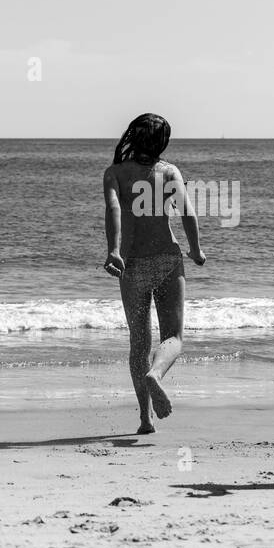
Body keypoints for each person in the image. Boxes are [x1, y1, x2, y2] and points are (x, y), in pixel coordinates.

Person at [102, 114, 206, 434]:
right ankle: (157, 375)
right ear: (161, 141)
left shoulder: (115, 173)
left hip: (132, 265)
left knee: (138, 344)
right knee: (173, 336)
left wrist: (114, 250)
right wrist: (196, 249)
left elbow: (114, 210)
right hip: (167, 260)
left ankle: (145, 419)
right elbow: (187, 212)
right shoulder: (168, 172)